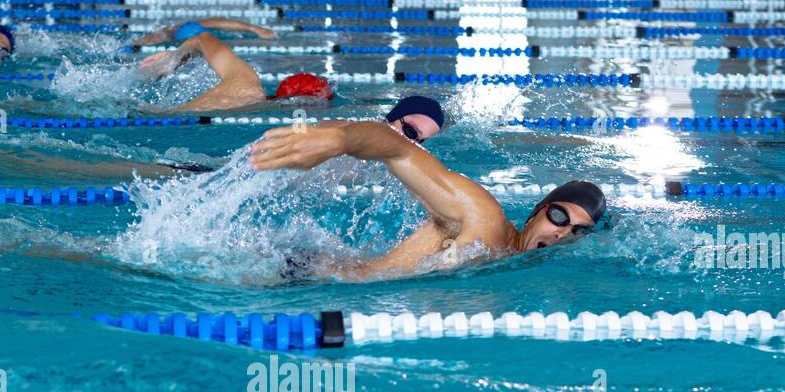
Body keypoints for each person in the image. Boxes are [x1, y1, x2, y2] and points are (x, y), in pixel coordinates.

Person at [248, 119, 604, 279]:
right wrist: (339, 141)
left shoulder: (515, 261)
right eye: (559, 217)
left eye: (578, 231)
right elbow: (398, 148)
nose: (562, 234)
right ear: (536, 213)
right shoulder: (483, 218)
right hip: (295, 274)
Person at [139, 31, 332, 111]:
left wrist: (173, 59)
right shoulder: (247, 94)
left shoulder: (246, 82)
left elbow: (202, 38)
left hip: (149, 115)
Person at [133, 18, 277, 46]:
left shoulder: (180, 30)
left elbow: (217, 22)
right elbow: (217, 22)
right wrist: (254, 29)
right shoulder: (175, 32)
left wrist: (254, 29)